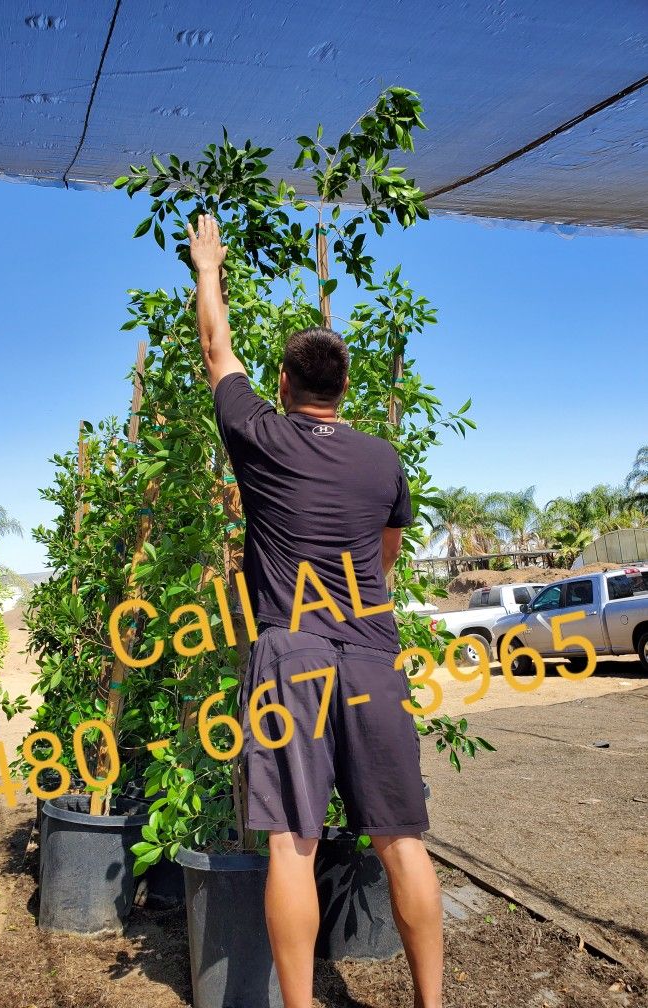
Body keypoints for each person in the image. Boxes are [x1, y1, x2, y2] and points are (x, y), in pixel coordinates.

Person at [187, 214, 443, 1008]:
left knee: (292, 846)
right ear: (344, 391)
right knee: (401, 839)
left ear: (287, 386)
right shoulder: (382, 458)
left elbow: (214, 351)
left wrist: (208, 267)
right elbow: (388, 555)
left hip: (292, 657)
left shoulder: (261, 436)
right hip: (370, 655)